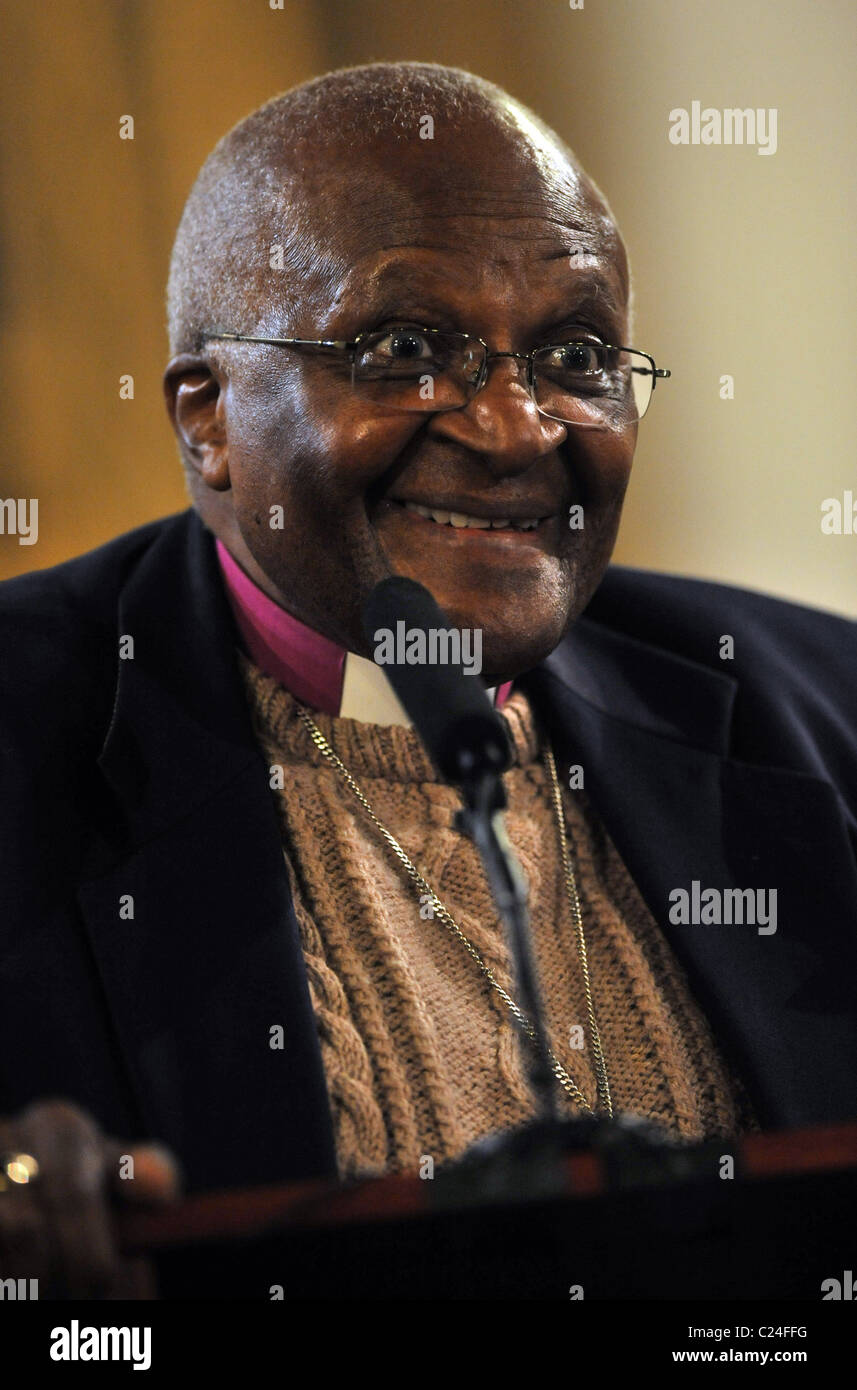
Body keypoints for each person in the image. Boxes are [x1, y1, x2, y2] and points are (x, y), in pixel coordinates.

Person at [1, 62, 855, 1299]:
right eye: (402, 348)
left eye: (573, 352)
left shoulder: (822, 715)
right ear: (208, 422)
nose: (513, 430)